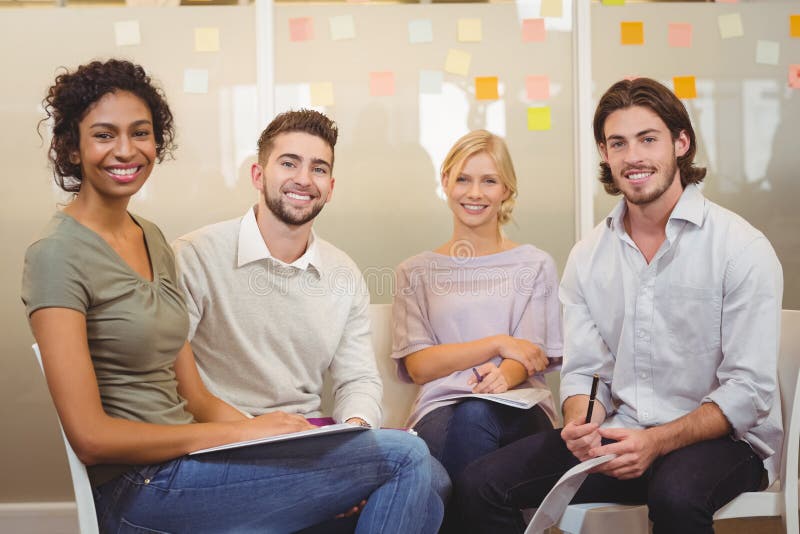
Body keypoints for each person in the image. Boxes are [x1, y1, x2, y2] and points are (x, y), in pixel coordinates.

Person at [21, 59, 439, 534]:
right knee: (407, 459)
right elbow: (90, 438)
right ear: (71, 147)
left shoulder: (149, 237)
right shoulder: (56, 253)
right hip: (141, 487)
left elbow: (195, 395)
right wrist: (240, 433)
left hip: (192, 464)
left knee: (426, 483)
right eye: (103, 134)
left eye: (140, 133)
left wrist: (268, 438)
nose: (125, 149)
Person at [456, 77, 784, 534]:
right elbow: (587, 372)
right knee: (479, 484)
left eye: (648, 139)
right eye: (618, 143)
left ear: (681, 143)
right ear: (605, 154)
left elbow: (748, 390)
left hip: (725, 442)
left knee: (675, 494)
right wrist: (581, 424)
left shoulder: (740, 248)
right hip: (621, 431)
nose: (633, 157)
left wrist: (657, 441)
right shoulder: (589, 256)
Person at [172, 108, 446, 532]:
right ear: (258, 175)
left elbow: (358, 380)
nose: (304, 179)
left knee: (437, 482)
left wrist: (355, 440)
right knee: (417, 476)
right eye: (289, 163)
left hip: (309, 444)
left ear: (330, 188)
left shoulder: (343, 274)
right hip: (224, 447)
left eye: (318, 168)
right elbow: (170, 380)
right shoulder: (195, 255)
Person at [391, 130, 563, 527]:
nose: (475, 192)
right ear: (445, 181)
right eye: (464, 179)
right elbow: (419, 366)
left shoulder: (535, 265)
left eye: (489, 181)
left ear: (507, 189)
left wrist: (505, 376)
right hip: (440, 411)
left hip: (520, 408)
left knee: (475, 414)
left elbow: (532, 354)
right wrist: (498, 344)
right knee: (469, 417)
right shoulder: (414, 272)